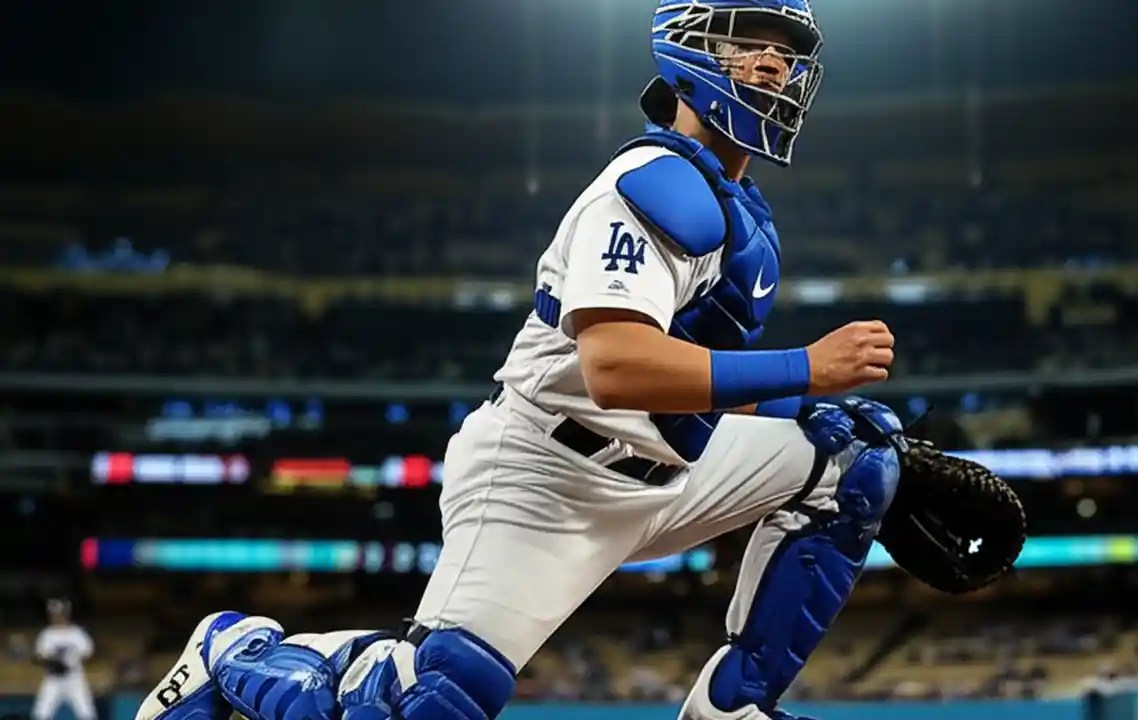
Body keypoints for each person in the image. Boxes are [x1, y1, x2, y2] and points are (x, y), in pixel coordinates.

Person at [135, 2, 904, 719]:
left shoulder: (737, 206)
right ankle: (232, 652)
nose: (773, 65)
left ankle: (733, 708)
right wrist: (806, 369)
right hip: (549, 473)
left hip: (669, 466)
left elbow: (688, 382)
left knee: (854, 450)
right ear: (689, 50)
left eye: (787, 52)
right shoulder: (647, 188)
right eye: (749, 43)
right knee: (429, 700)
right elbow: (615, 369)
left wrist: (808, 408)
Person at [32, 598, 96, 720]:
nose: (57, 616)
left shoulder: (77, 633)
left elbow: (89, 653)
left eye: (60, 613)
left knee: (86, 713)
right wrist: (51, 662)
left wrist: (73, 660)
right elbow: (38, 655)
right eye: (54, 614)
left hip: (74, 678)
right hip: (52, 678)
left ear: (66, 614)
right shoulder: (47, 634)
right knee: (41, 713)